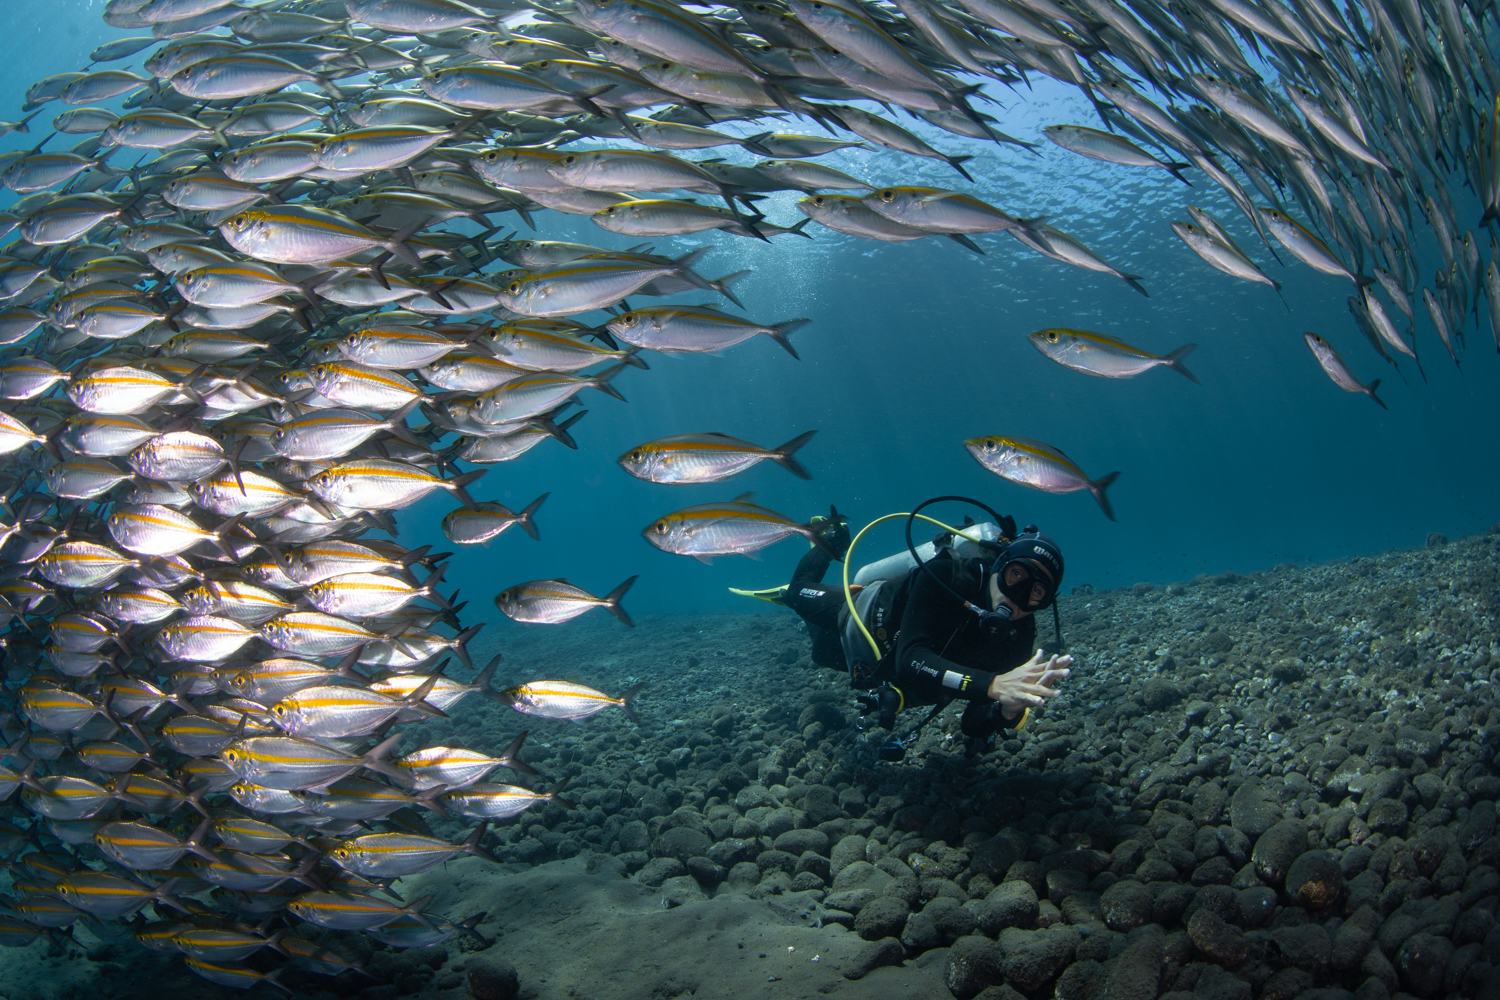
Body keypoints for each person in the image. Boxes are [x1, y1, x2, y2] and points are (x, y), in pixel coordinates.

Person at [779, 509, 1072, 756]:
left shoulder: (1017, 637)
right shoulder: (946, 574)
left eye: (1036, 592)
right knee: (795, 593)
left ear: (1045, 603)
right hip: (861, 613)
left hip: (876, 662)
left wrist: (1006, 712)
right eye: (1016, 575)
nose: (1017, 597)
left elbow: (972, 723)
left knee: (819, 653)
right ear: (1000, 565)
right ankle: (829, 543)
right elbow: (911, 656)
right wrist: (991, 685)